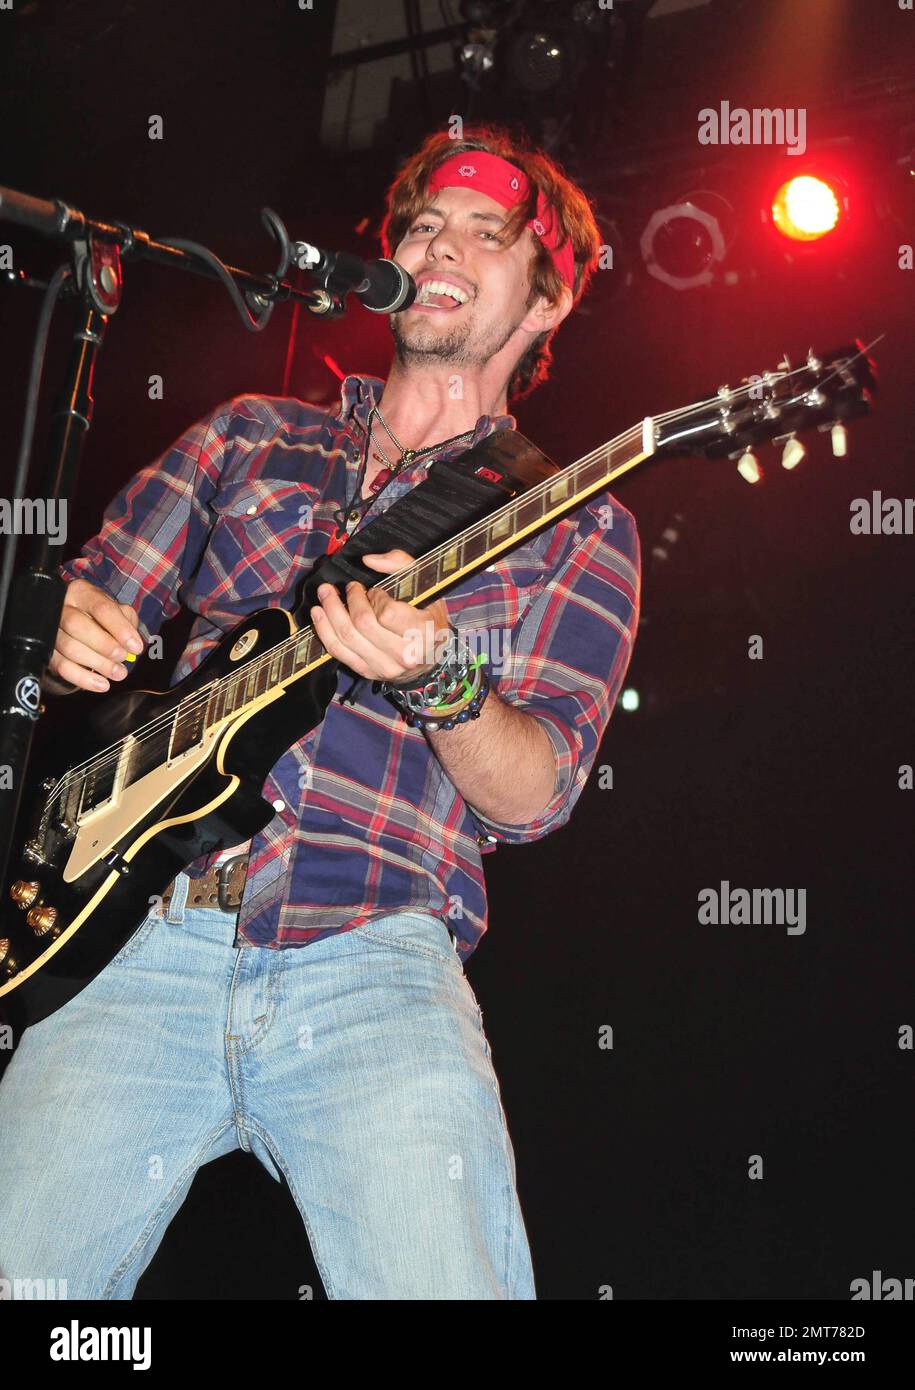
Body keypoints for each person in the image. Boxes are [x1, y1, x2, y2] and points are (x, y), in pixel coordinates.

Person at [0, 124, 640, 1299]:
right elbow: (82, 609)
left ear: (548, 299)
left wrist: (441, 681)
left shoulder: (575, 520)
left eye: (483, 234)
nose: (437, 246)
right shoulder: (253, 432)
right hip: (134, 933)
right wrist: (64, 623)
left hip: (376, 956)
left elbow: (538, 792)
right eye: (423, 227)